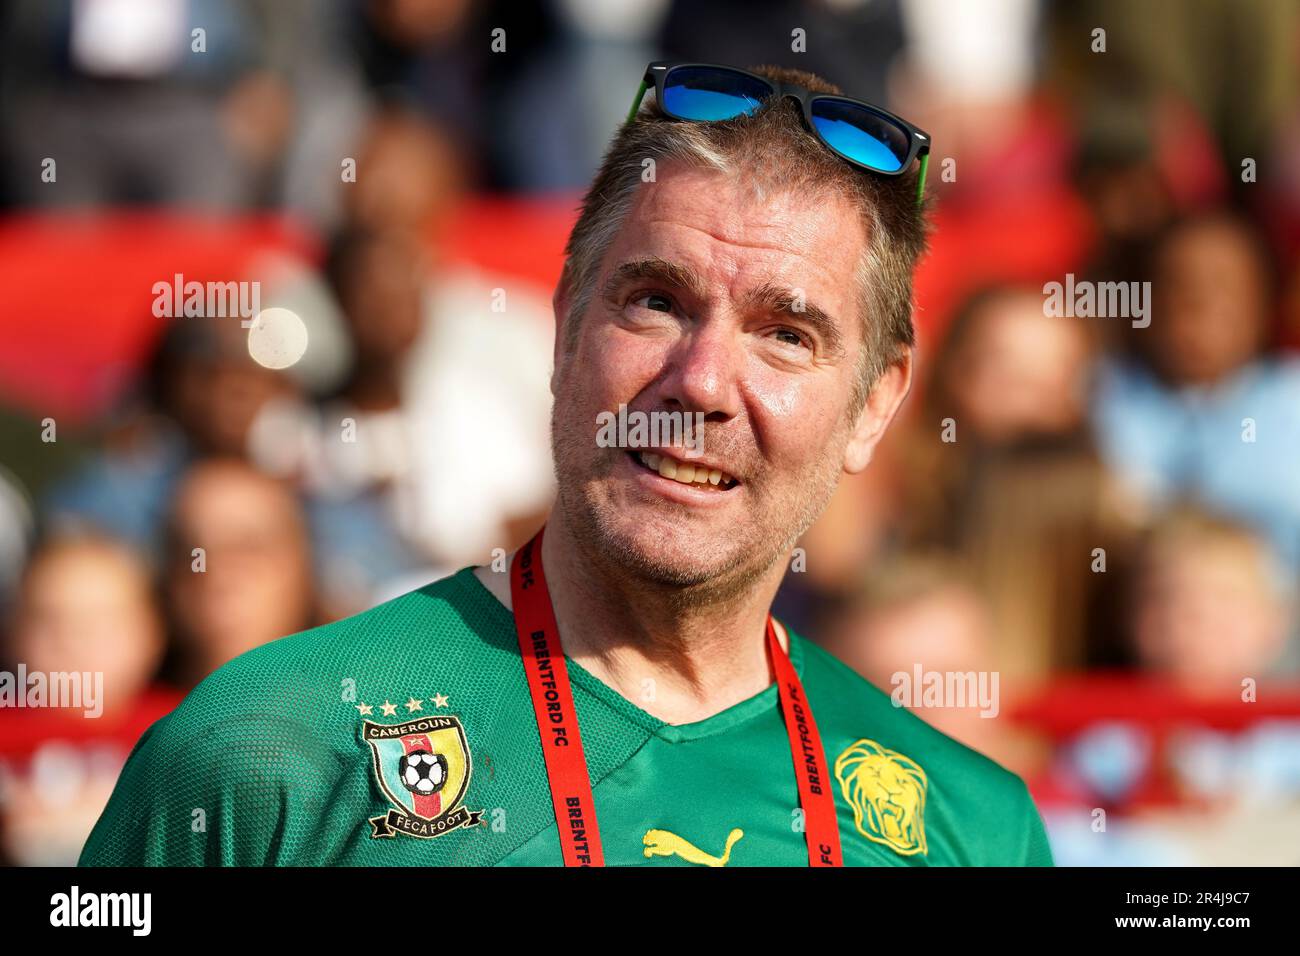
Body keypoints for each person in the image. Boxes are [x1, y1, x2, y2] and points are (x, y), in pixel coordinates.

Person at [81, 62, 1053, 866]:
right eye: (656, 301)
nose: (702, 381)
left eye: (786, 334)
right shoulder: (260, 754)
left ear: (873, 404)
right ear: (563, 329)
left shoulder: (973, 827)